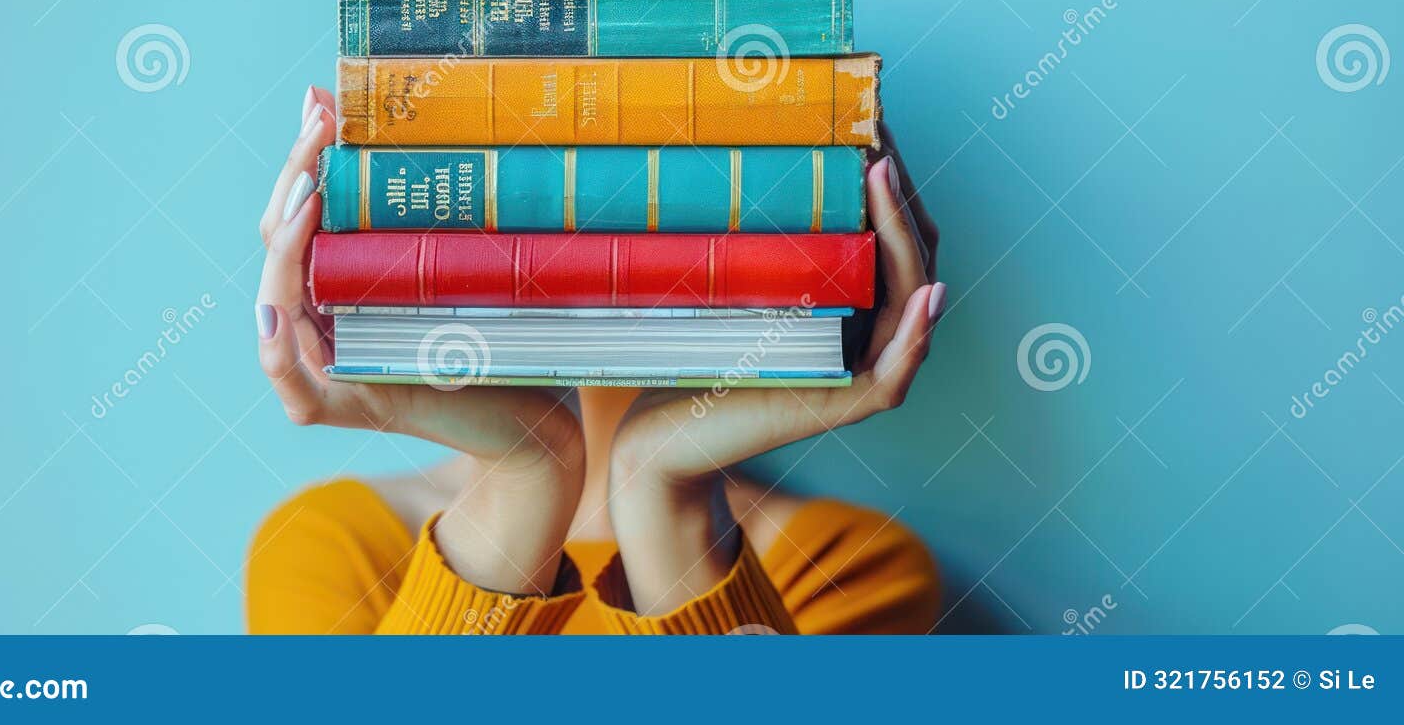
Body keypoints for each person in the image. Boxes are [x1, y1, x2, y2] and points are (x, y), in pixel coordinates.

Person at [247, 87, 946, 634]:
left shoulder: (853, 565)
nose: (599, 213)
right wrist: (528, 470)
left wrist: (664, 489)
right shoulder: (335, 544)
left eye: (677, 172)